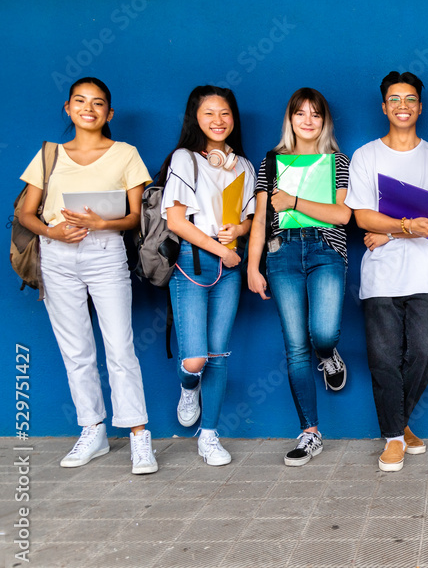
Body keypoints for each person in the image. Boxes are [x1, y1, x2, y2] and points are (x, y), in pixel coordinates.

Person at [18, 77, 157, 474]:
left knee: (120, 346)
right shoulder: (49, 154)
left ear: (109, 113)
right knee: (76, 349)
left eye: (98, 103)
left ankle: (138, 436)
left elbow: (135, 217)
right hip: (56, 253)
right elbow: (27, 213)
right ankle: (92, 430)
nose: (89, 108)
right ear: (68, 108)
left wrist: (100, 223)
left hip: (104, 252)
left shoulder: (125, 154)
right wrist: (52, 231)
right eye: (80, 101)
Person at [345, 71, 428, 472]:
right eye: (394, 99)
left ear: (420, 107)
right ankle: (394, 438)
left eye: (410, 99)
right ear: (384, 106)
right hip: (381, 276)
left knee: (426, 350)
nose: (402, 106)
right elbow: (361, 216)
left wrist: (389, 231)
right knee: (384, 358)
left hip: (427, 271)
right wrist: (407, 227)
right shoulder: (365, 156)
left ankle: (398, 419)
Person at [247, 88, 352, 467]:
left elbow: (342, 216)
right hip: (282, 253)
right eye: (300, 114)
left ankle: (329, 354)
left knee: (322, 333)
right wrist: (252, 265)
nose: (308, 121)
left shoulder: (337, 161)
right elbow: (260, 218)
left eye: (316, 114)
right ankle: (310, 433)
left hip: (326, 250)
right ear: (289, 119)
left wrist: (292, 201)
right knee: (295, 344)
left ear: (325, 121)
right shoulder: (272, 162)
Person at [160, 85, 256, 466]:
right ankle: (188, 386)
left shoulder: (244, 166)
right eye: (209, 113)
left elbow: (249, 219)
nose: (218, 121)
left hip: (228, 262)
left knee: (218, 354)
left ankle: (210, 435)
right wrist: (223, 250)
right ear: (195, 118)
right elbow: (176, 220)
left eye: (225, 113)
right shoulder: (184, 158)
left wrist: (239, 232)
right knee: (197, 359)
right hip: (192, 261)